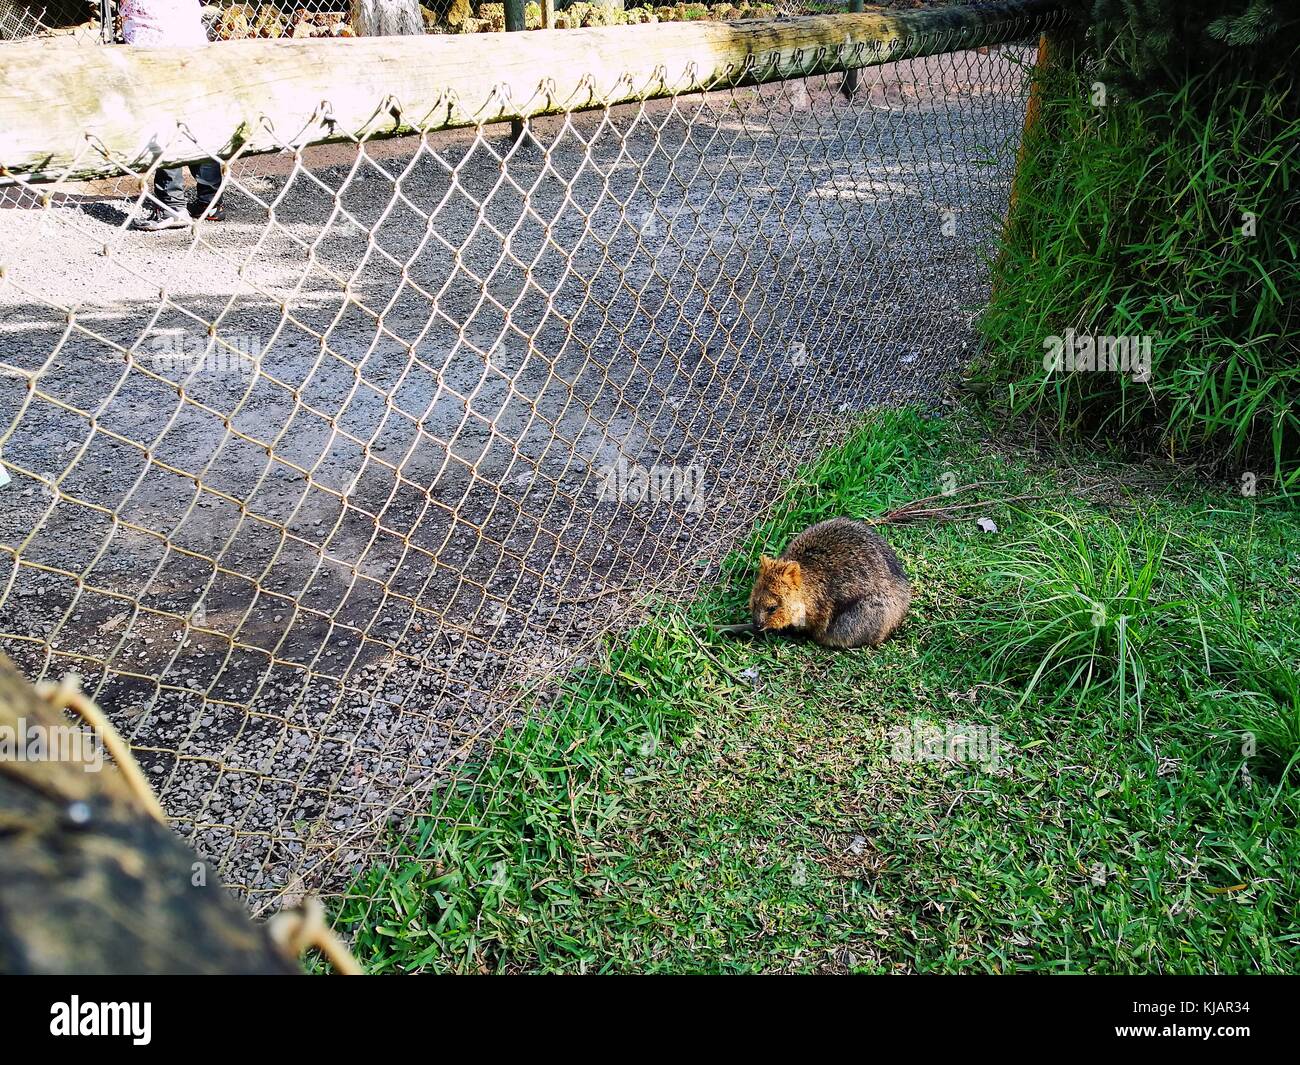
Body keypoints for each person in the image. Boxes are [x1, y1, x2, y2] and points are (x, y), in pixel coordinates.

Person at [124, 0, 225, 231]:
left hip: (152, 48)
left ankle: (171, 205)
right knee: (194, 119)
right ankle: (209, 201)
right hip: (190, 44)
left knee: (164, 120)